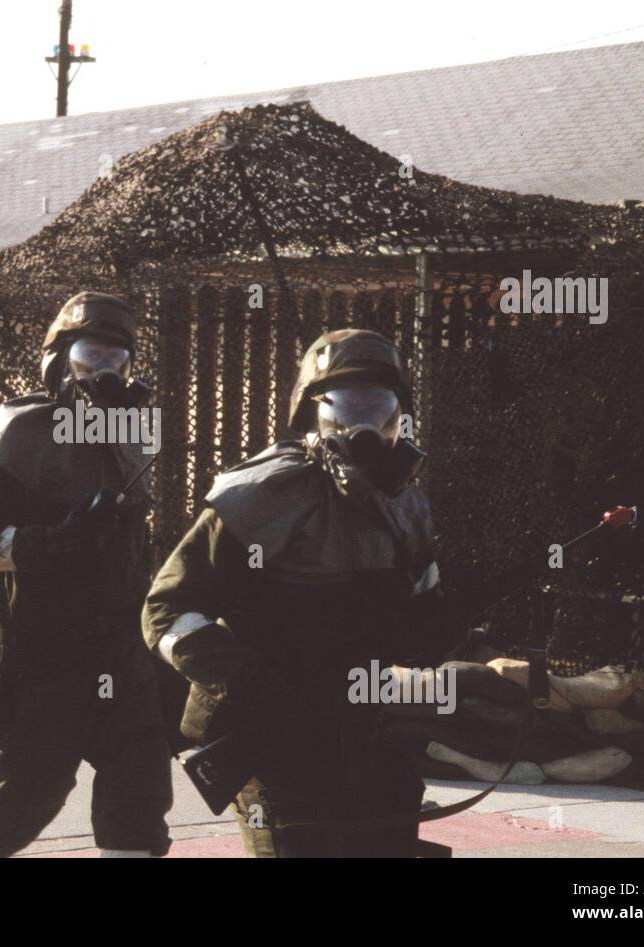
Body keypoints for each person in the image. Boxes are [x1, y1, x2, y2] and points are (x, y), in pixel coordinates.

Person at [143, 328, 456, 857]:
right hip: (267, 730)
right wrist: (245, 678)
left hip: (356, 727)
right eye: (346, 407)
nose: (363, 427)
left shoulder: (405, 509)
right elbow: (166, 609)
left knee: (391, 828)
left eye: (379, 409)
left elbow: (423, 622)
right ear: (311, 413)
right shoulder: (259, 497)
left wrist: (436, 633)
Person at [0, 291, 172, 857]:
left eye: (116, 359)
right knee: (20, 802)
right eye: (89, 355)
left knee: (139, 797)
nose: (103, 371)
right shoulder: (19, 431)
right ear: (58, 360)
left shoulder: (133, 434)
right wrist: (47, 544)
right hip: (39, 658)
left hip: (121, 655)